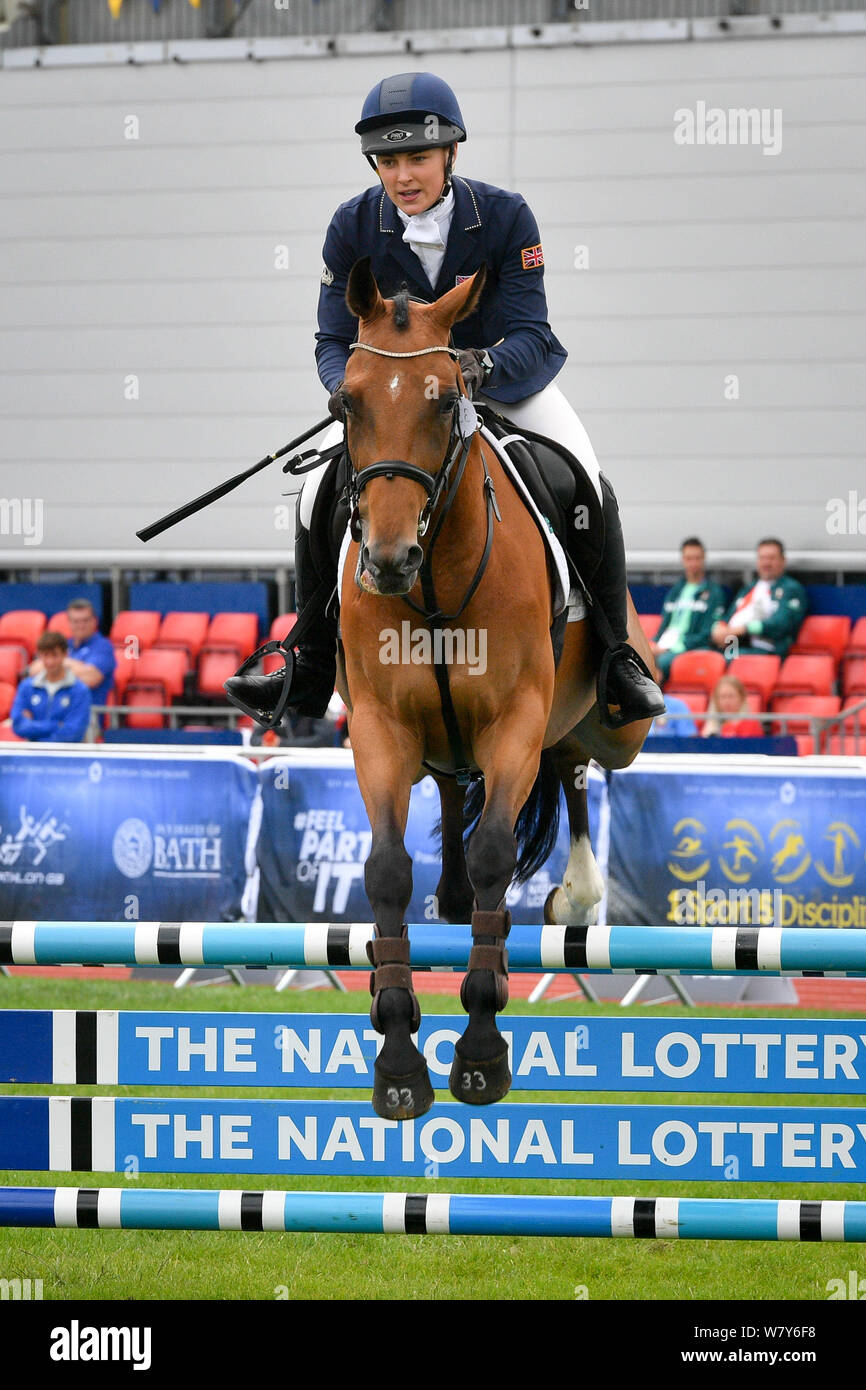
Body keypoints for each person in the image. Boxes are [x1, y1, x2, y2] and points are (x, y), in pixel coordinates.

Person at [226, 71, 664, 731]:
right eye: (389, 161)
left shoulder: (507, 216)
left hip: (502, 384)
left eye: (418, 158)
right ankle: (310, 659)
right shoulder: (351, 226)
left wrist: (476, 368)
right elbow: (331, 339)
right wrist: (350, 395)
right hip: (397, 408)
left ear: (451, 154)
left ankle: (615, 656)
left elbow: (531, 333)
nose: (403, 175)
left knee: (588, 481)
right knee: (316, 490)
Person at [710, 538, 807, 660]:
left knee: (725, 661)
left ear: (783, 560)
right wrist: (719, 628)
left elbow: (782, 623)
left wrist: (744, 629)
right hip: (733, 646)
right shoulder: (749, 588)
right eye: (762, 558)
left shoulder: (791, 588)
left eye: (771, 558)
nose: (766, 563)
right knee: (704, 660)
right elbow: (729, 616)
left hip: (767, 651)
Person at [28, 598, 115, 730]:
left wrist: (56, 666)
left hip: (87, 719)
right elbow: (34, 670)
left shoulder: (103, 646)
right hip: (52, 715)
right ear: (69, 622)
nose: (81, 625)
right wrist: (75, 666)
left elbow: (91, 678)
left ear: (94, 621)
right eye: (76, 621)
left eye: (85, 620)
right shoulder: (64, 644)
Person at [650, 537, 728, 681]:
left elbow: (707, 634)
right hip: (666, 645)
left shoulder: (714, 593)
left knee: (661, 662)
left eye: (697, 558)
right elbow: (664, 625)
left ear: (704, 559)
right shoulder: (676, 590)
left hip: (689, 647)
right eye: (689, 558)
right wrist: (654, 643)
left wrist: (674, 647)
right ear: (683, 560)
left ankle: (657, 701)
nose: (693, 563)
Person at [11, 631, 92, 742]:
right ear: (39, 655)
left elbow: (73, 733)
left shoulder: (80, 690)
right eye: (45, 655)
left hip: (66, 756)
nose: (50, 661)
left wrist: (33, 726)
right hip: (32, 754)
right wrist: (57, 725)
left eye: (55, 655)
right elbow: (18, 726)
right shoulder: (27, 687)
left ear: (65, 655)